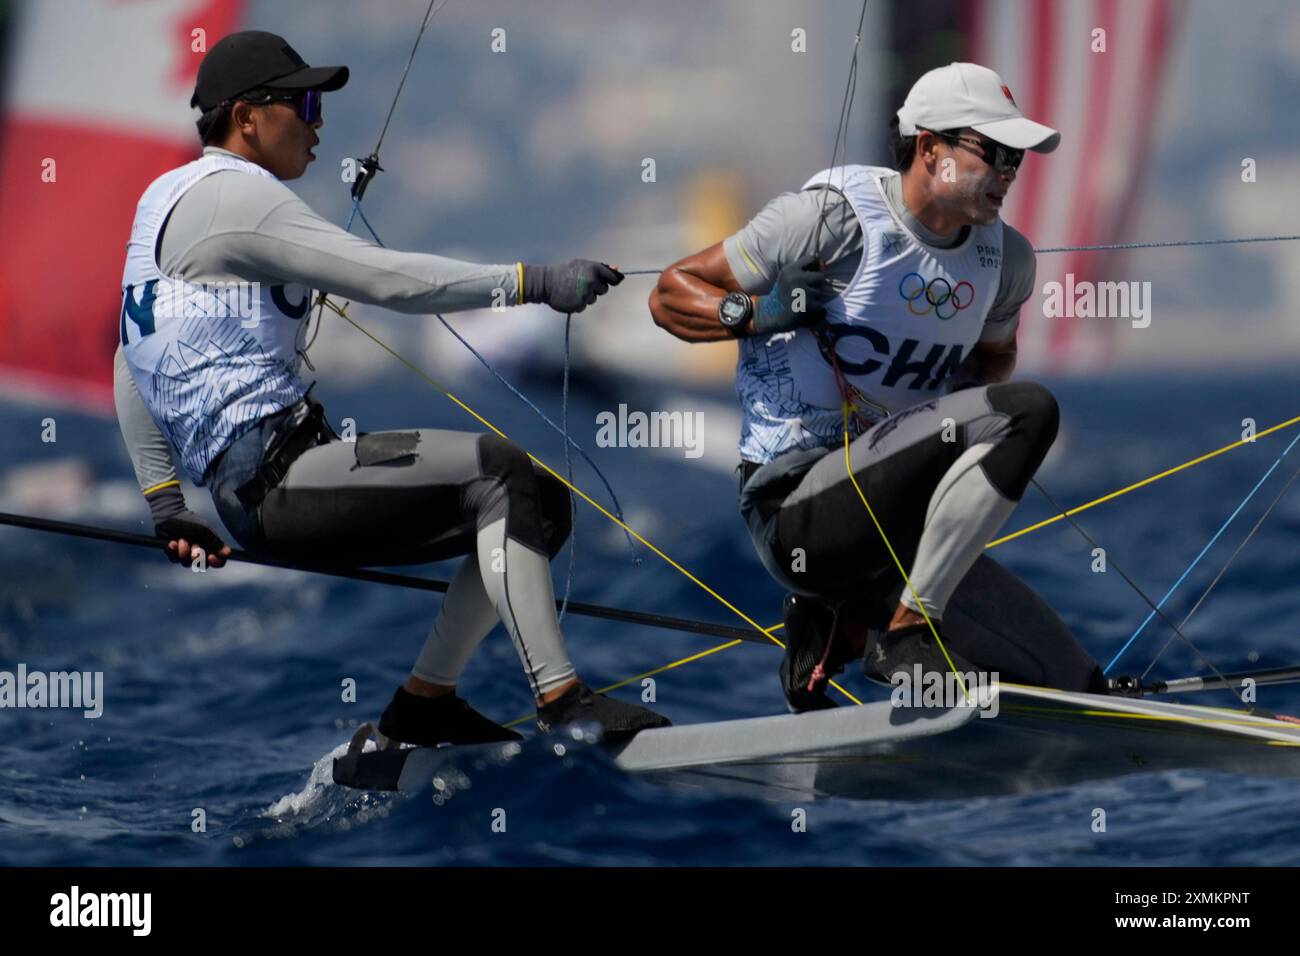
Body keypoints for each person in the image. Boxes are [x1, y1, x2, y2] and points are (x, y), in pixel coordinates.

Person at [115, 31, 669, 745]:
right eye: (304, 103)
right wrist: (534, 282)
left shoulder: (162, 201)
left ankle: (425, 704)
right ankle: (561, 701)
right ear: (247, 117)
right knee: (503, 477)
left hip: (260, 486)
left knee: (540, 504)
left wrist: (166, 506)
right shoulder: (235, 197)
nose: (318, 123)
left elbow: (132, 354)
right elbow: (391, 281)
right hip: (279, 482)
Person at [648, 62, 1108, 710]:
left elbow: (991, 363)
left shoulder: (1006, 262)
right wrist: (757, 313)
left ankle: (842, 618)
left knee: (1078, 689)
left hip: (892, 529)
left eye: (1018, 157)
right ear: (930, 148)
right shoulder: (830, 220)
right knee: (1028, 412)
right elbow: (669, 294)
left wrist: (942, 422)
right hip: (793, 506)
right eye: (994, 152)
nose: (1010, 170)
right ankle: (898, 634)